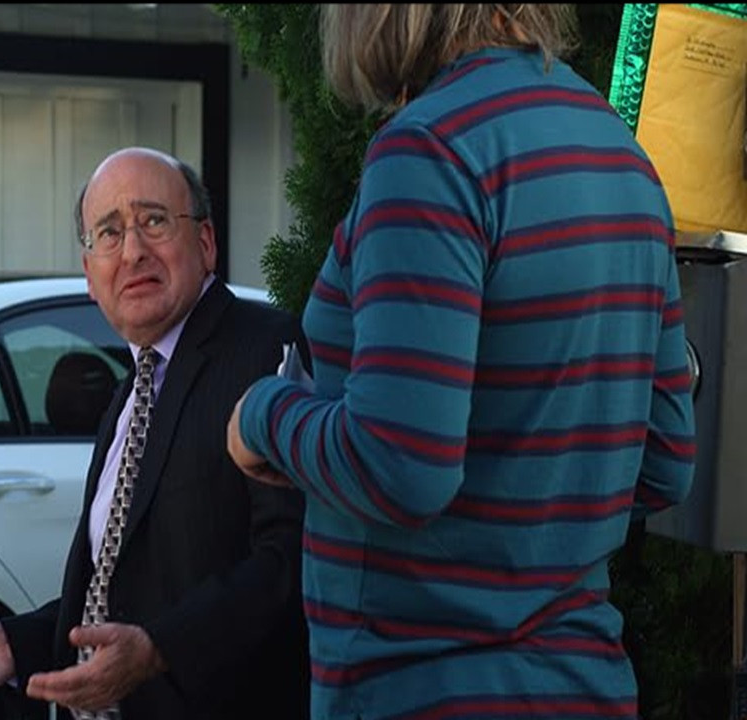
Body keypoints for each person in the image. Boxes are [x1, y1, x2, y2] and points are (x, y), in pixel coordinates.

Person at [226, 5, 696, 720]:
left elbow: (401, 469)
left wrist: (262, 415)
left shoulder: (430, 152)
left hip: (420, 684)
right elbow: (665, 460)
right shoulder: (619, 154)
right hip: (585, 688)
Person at [0, 147, 310, 719]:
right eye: (109, 232)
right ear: (89, 272)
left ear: (205, 243)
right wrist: (18, 642)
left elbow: (292, 559)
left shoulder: (264, 349)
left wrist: (159, 651)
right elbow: (119, 592)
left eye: (154, 221)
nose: (132, 251)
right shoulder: (134, 388)